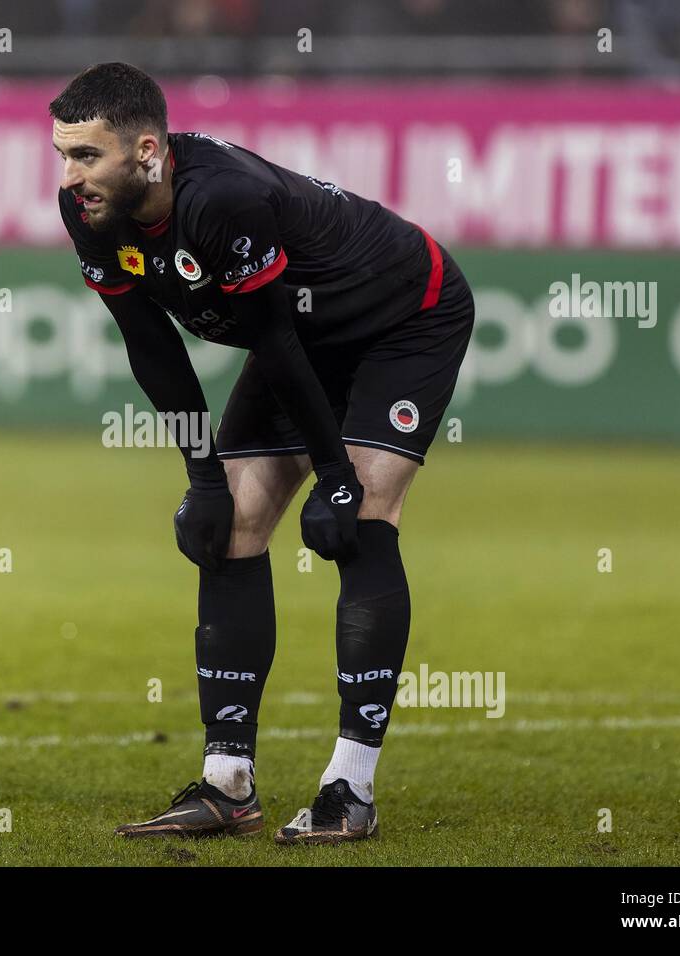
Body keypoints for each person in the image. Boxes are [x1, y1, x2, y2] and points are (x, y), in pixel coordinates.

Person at [51, 62, 475, 844]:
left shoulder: (221, 199)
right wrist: (202, 477)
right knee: (231, 526)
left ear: (147, 150)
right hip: (298, 339)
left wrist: (340, 479)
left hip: (402, 317)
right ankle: (227, 783)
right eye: (63, 155)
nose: (71, 176)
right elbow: (153, 349)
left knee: (362, 522)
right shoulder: (91, 212)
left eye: (86, 156)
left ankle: (351, 789)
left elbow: (276, 339)